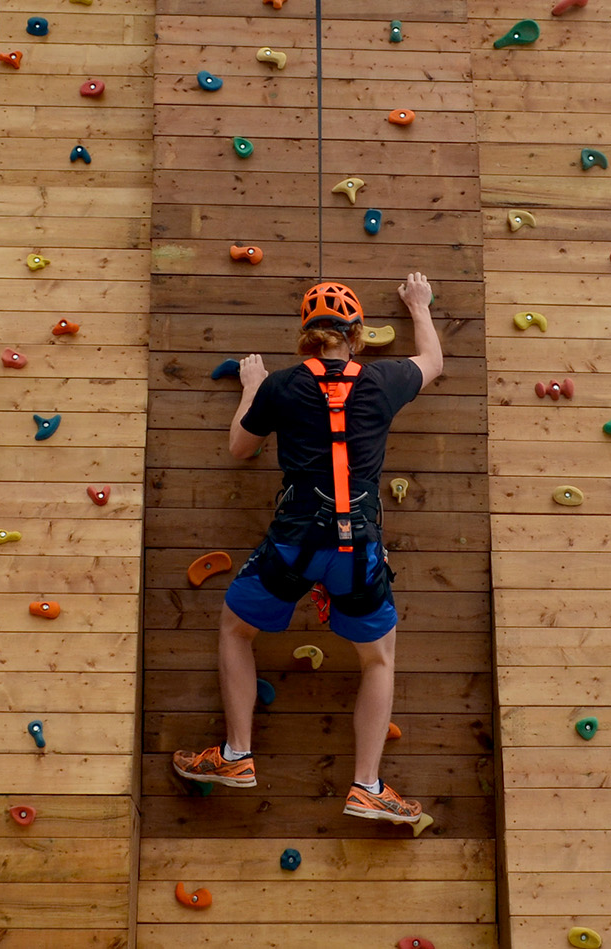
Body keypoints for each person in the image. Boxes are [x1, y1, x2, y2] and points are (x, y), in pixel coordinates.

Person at [172, 273, 444, 825]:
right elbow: (433, 361)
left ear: (305, 335)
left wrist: (253, 384)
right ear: (357, 334)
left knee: (234, 628)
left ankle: (236, 755)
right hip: (358, 550)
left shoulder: (282, 386)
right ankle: (367, 785)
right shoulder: (384, 378)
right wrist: (419, 306)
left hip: (295, 543)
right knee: (377, 659)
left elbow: (239, 448)